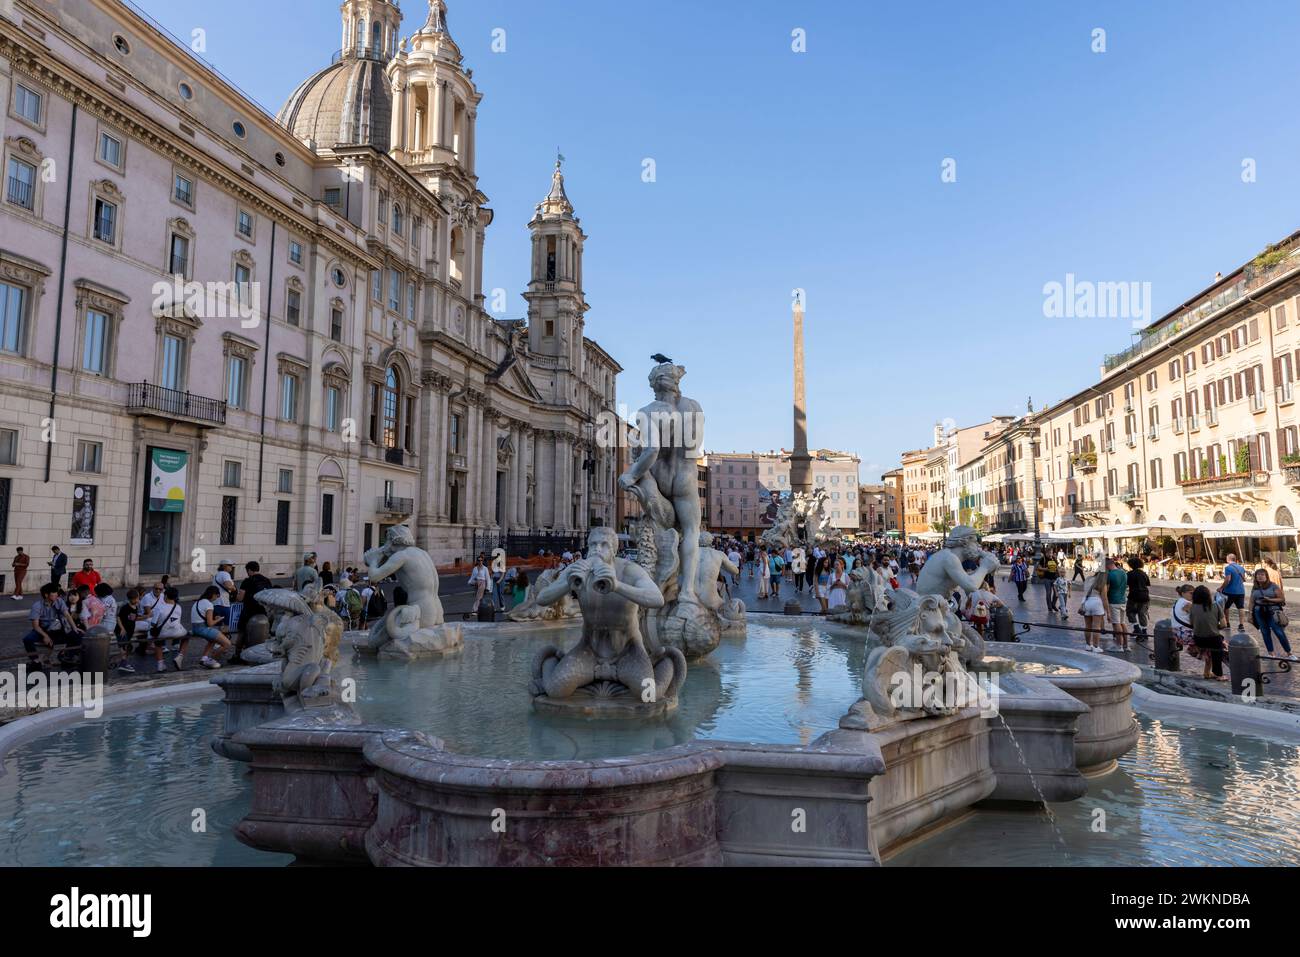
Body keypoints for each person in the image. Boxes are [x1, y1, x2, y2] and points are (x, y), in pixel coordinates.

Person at [22, 583, 79, 670]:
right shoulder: (37, 606)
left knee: (76, 636)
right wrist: (45, 636)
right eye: (54, 593)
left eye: (57, 592)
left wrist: (75, 628)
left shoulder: (59, 601)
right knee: (27, 639)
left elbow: (67, 615)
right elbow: (35, 626)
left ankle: (67, 657)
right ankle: (36, 660)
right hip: (42, 629)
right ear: (46, 595)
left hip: (56, 628)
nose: (57, 594)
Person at [1250, 567, 1296, 660]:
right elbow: (1251, 602)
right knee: (1265, 632)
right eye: (1258, 575)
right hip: (1259, 612)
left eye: (1262, 575)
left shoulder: (1273, 585)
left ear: (1266, 576)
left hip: (1272, 611)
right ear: (1255, 577)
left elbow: (1281, 599)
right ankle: (1271, 653)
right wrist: (1250, 614)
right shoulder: (1255, 587)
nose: (1260, 577)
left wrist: (1269, 599)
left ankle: (1289, 653)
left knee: (1278, 632)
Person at [183, 584, 231, 670]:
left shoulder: (198, 602)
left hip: (195, 628)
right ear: (213, 594)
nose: (216, 598)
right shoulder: (209, 604)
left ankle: (204, 658)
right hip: (202, 629)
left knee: (212, 640)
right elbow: (210, 624)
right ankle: (211, 659)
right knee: (227, 644)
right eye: (217, 596)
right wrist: (219, 619)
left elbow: (202, 617)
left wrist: (214, 618)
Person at [1190, 584, 1228, 680]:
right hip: (1213, 639)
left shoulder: (1192, 607)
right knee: (1218, 649)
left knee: (1216, 644)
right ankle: (1219, 674)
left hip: (1198, 639)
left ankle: (1207, 672)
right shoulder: (1215, 605)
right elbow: (1224, 625)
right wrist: (1215, 627)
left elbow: (1191, 623)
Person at [236, 561, 274, 651]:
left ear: (249, 570)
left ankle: (237, 655)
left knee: (241, 632)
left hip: (248, 611)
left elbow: (240, 598)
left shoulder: (247, 581)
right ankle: (260, 651)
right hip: (262, 610)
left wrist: (235, 595)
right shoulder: (267, 580)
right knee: (263, 631)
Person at [148, 586, 187, 672]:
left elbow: (153, 623)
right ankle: (180, 657)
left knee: (158, 641)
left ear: (165, 596)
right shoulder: (178, 607)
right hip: (177, 633)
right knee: (187, 636)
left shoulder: (159, 607)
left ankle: (160, 664)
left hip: (163, 633)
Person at [1079, 565, 1108, 653]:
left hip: (1086, 602)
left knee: (1087, 626)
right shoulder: (1102, 583)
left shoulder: (1088, 579)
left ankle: (1088, 645)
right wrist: (1108, 612)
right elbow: (1104, 598)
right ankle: (1096, 647)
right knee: (1096, 626)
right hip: (1097, 603)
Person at [1218, 553, 1248, 631]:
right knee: (1241, 607)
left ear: (1228, 559)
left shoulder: (1228, 568)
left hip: (1229, 591)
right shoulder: (1241, 568)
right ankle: (1241, 625)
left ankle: (1227, 623)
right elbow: (1243, 579)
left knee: (1226, 607)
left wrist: (1221, 588)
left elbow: (1228, 579)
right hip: (1241, 591)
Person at [1125, 557, 1151, 642]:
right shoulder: (1143, 573)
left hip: (1134, 595)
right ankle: (1144, 632)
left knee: (1130, 612)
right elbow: (1147, 584)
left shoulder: (1129, 574)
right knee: (1142, 614)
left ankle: (1137, 630)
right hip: (1145, 595)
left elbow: (1126, 584)